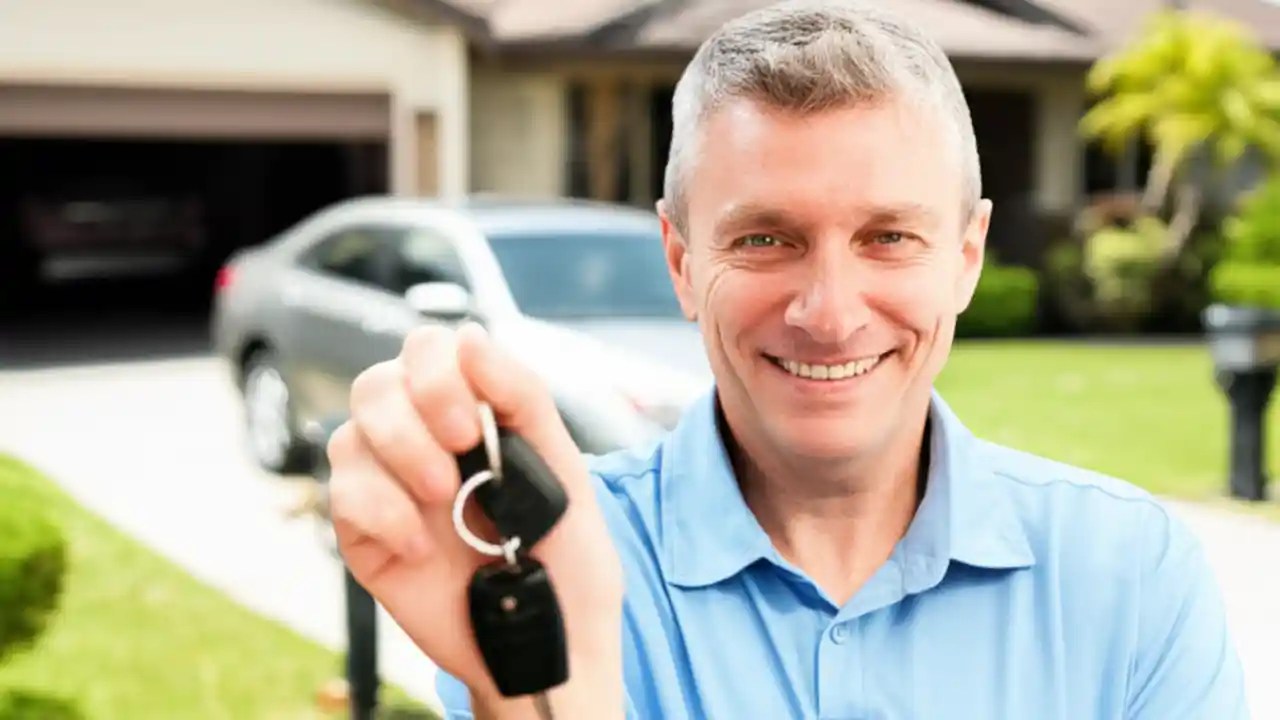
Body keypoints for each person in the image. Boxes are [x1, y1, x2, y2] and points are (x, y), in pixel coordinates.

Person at [325, 1, 1248, 718]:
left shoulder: (1127, 573)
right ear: (682, 263)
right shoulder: (546, 563)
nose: (831, 313)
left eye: (888, 236)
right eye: (766, 240)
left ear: (966, 257)